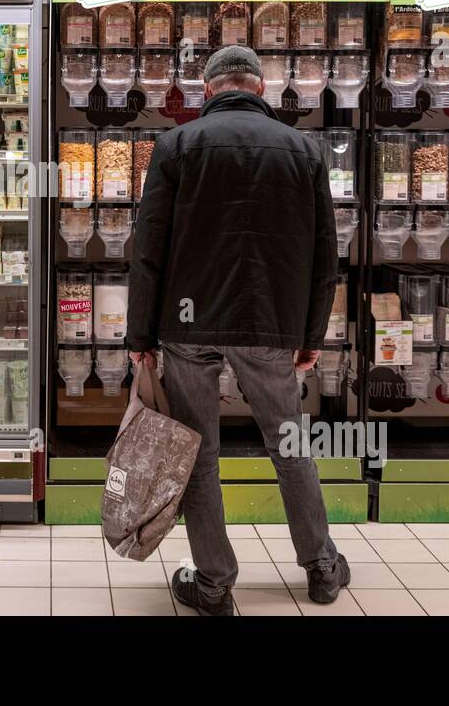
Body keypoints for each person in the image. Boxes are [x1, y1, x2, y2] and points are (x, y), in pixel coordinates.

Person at [126, 44, 348, 616]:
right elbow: (327, 253)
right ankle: (322, 568)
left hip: (187, 320)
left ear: (208, 89)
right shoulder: (305, 149)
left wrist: (140, 338)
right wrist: (312, 335)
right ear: (260, 89)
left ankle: (215, 583)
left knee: (198, 452)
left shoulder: (176, 145)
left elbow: (148, 248)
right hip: (272, 323)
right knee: (291, 446)